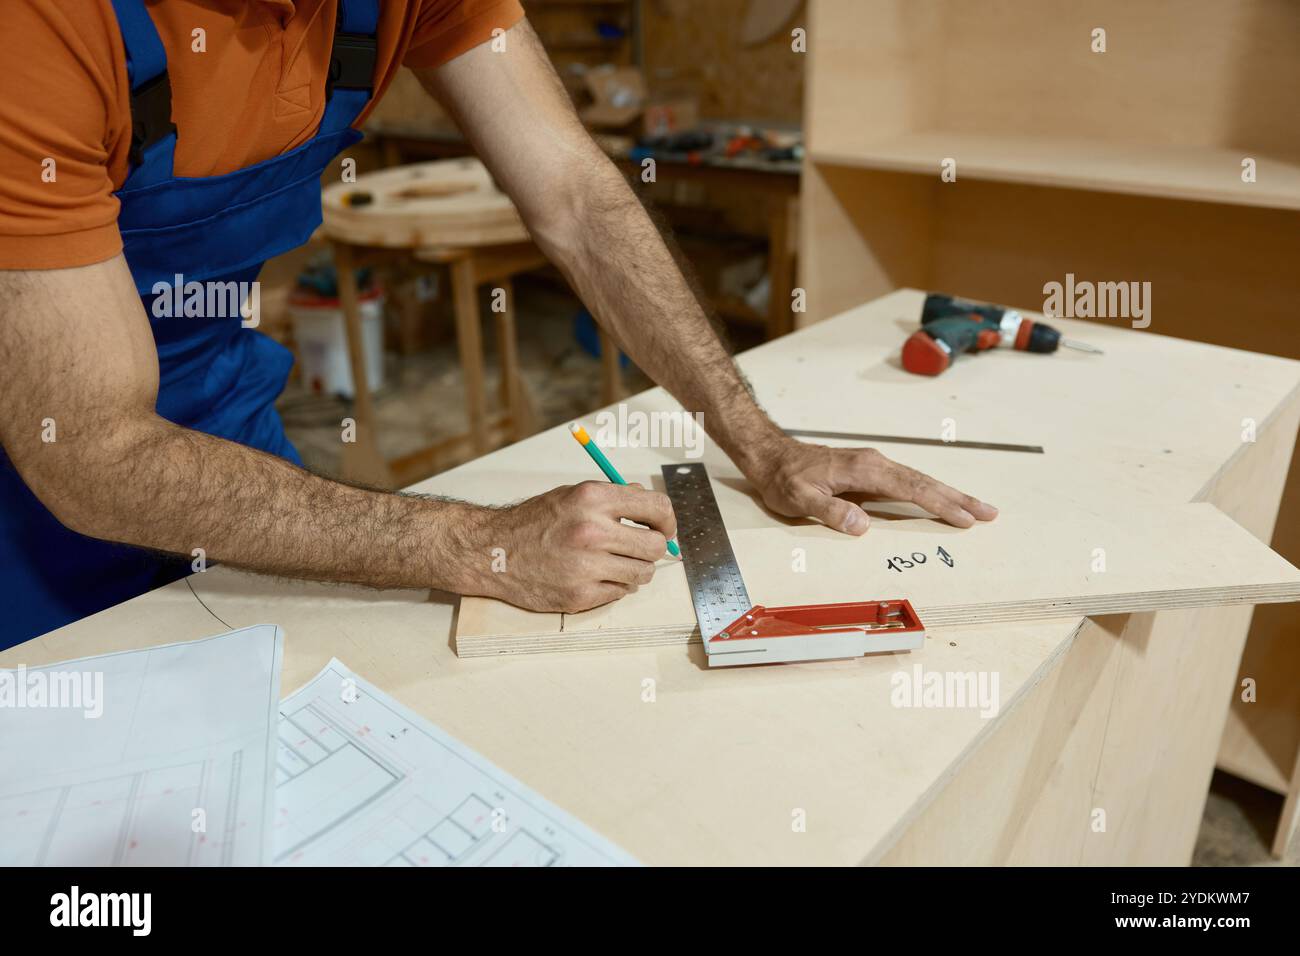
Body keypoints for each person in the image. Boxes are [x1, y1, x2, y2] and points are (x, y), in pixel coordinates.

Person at [0, 0, 996, 650]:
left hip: (223, 417)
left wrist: (763, 445)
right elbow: (86, 446)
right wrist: (476, 542)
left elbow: (574, 196)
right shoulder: (42, 29)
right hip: (31, 477)